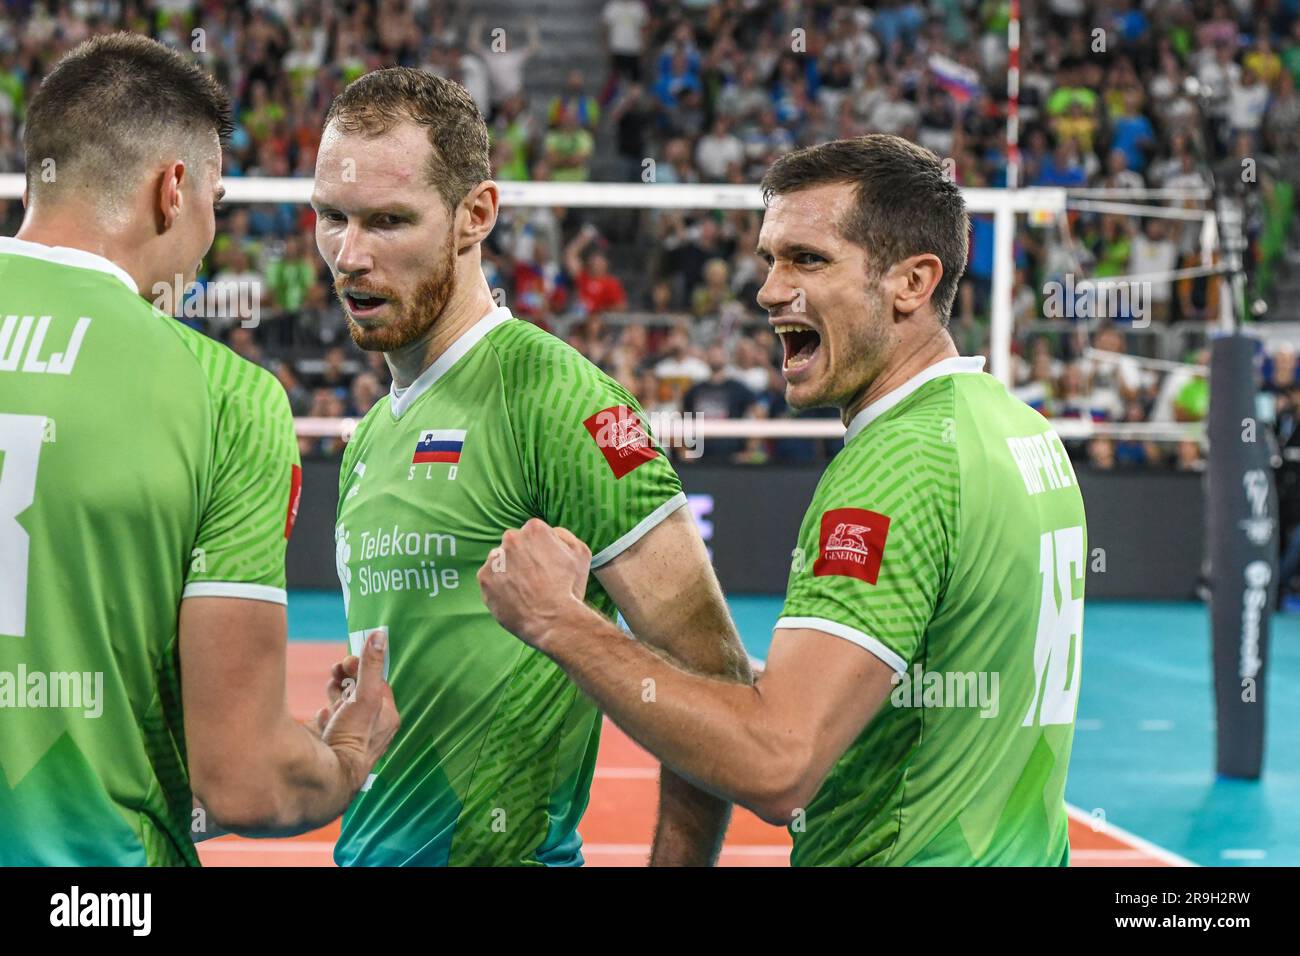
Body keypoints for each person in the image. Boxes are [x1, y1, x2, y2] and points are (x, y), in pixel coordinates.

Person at [479, 135, 1089, 866]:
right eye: (769, 259)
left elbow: (779, 765)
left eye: (808, 259)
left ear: (913, 283)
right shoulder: (1021, 431)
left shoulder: (899, 465)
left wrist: (559, 622)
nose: (770, 289)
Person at [311, 68, 749, 867]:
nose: (348, 255)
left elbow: (714, 680)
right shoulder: (373, 432)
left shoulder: (558, 399)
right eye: (331, 218)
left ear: (475, 215)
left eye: (387, 221)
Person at [0, 34, 397, 866]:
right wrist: (348, 756)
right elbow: (247, 782)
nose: (212, 235)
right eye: (216, 200)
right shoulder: (225, 397)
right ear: (172, 189)